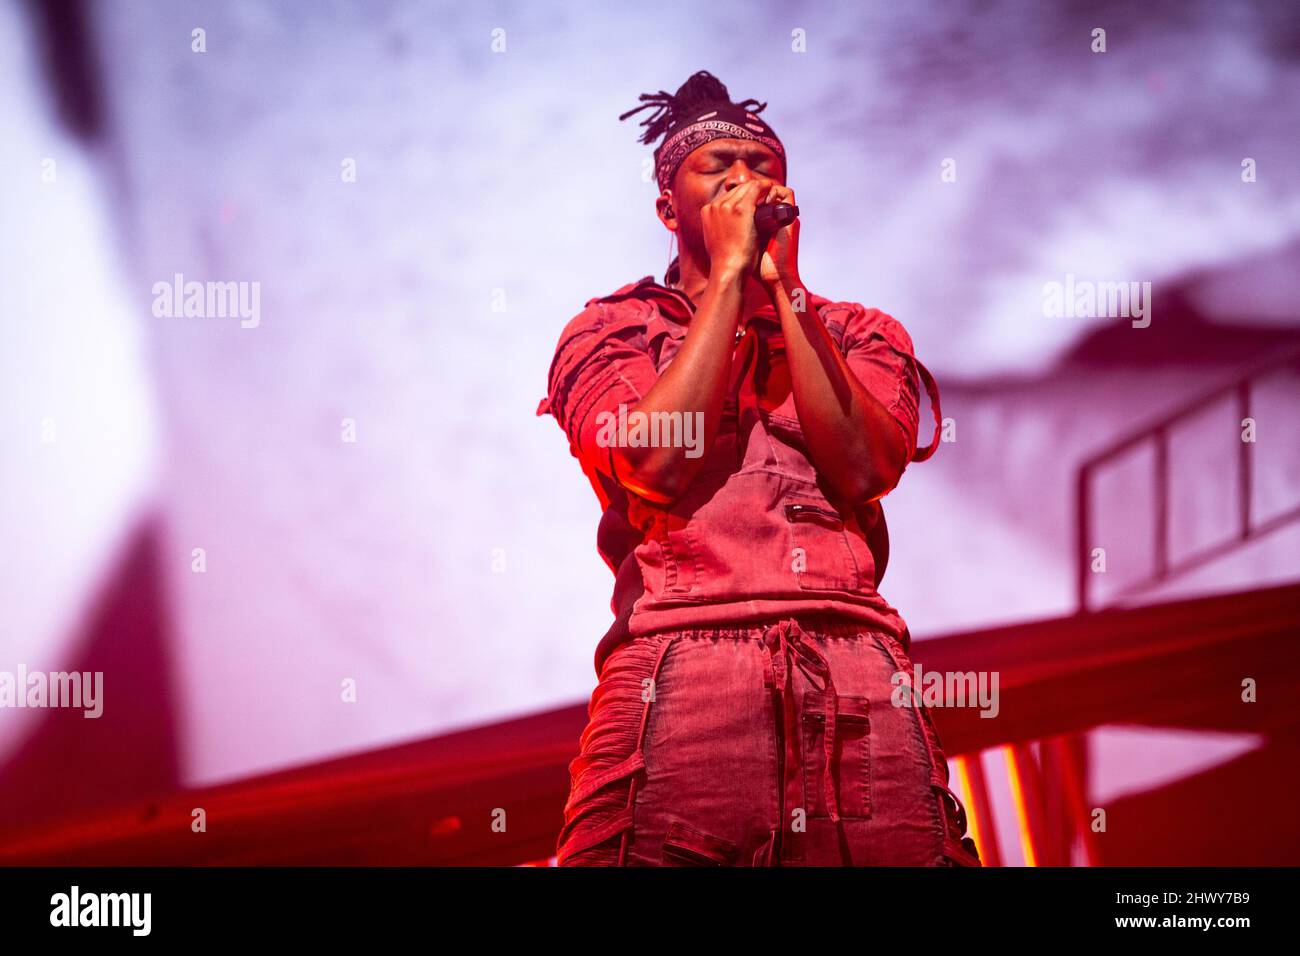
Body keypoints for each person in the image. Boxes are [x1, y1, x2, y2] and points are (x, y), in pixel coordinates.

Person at [537, 70, 980, 866]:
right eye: (720, 167)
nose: (749, 179)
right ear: (669, 206)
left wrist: (788, 294)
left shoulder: (857, 330)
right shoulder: (612, 330)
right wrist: (731, 282)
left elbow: (866, 466)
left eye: (764, 163)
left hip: (856, 664)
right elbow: (655, 461)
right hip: (682, 667)